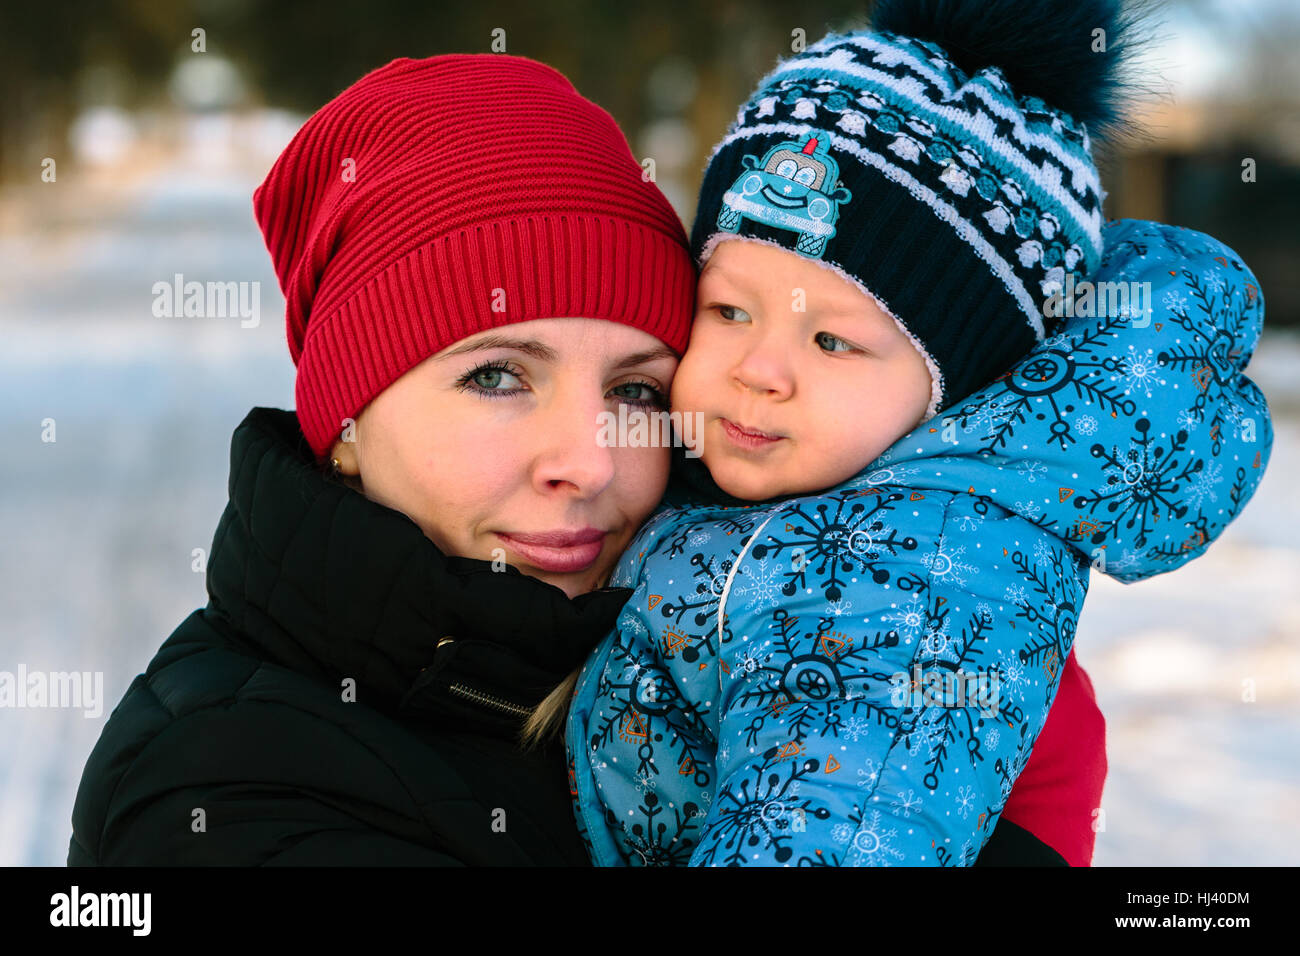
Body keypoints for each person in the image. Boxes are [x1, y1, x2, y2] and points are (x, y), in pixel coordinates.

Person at [566, 0, 1275, 865]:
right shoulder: (726, 487)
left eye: (833, 341)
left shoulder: (917, 583)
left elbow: (832, 833)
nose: (759, 369)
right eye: (730, 310)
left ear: (955, 393)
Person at [66, 52, 699, 865]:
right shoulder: (222, 788)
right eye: (497, 376)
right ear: (346, 426)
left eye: (636, 391)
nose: (592, 462)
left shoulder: (690, 670)